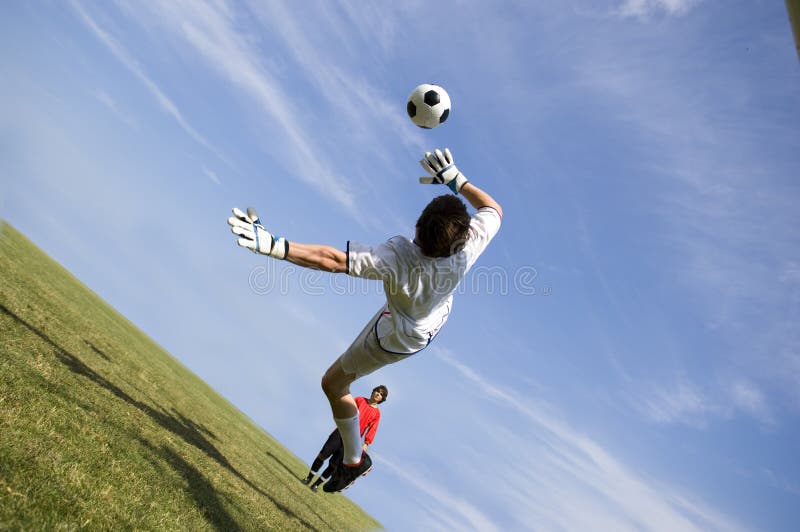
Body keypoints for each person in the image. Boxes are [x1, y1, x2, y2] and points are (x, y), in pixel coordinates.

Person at [228, 148, 503, 492]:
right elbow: (493, 209)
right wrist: (456, 180)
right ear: (461, 236)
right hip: (431, 317)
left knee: (332, 384)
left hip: (396, 335)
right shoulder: (468, 246)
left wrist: (274, 245)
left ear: (418, 229)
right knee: (344, 375)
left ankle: (354, 461)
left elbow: (330, 260)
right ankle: (352, 460)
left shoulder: (399, 256)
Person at [300, 385, 387, 492]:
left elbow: (373, 429)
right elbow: (345, 407)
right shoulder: (360, 400)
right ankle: (308, 478)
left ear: (382, 399)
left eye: (381, 394)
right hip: (341, 431)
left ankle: (316, 485)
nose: (378, 394)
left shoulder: (377, 414)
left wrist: (366, 443)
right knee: (323, 454)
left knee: (334, 464)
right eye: (377, 391)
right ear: (373, 391)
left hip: (352, 440)